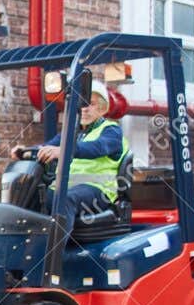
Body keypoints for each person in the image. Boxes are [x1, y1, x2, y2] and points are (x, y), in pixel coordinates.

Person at [15, 80, 128, 217]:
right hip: (67, 188)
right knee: (31, 195)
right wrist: (25, 151)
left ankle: (58, 239)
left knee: (65, 200)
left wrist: (63, 151)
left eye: (91, 104)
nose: (85, 109)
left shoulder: (111, 130)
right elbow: (48, 146)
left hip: (98, 191)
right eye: (81, 104)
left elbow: (97, 147)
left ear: (102, 108)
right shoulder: (71, 133)